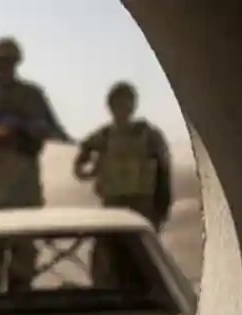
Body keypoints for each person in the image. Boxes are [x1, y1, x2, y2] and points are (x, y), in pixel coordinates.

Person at [0, 37, 71, 293]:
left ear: (17, 63)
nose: (5, 67)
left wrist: (31, 128)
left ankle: (19, 304)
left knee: (23, 256)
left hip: (25, 181)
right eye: (0, 62)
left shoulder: (32, 95)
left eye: (9, 62)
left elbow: (56, 132)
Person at [73, 82, 173, 230]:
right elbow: (80, 165)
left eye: (125, 103)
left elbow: (164, 172)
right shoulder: (104, 135)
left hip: (141, 203)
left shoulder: (148, 134)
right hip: (113, 203)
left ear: (133, 105)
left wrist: (161, 207)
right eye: (117, 103)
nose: (121, 108)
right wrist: (94, 170)